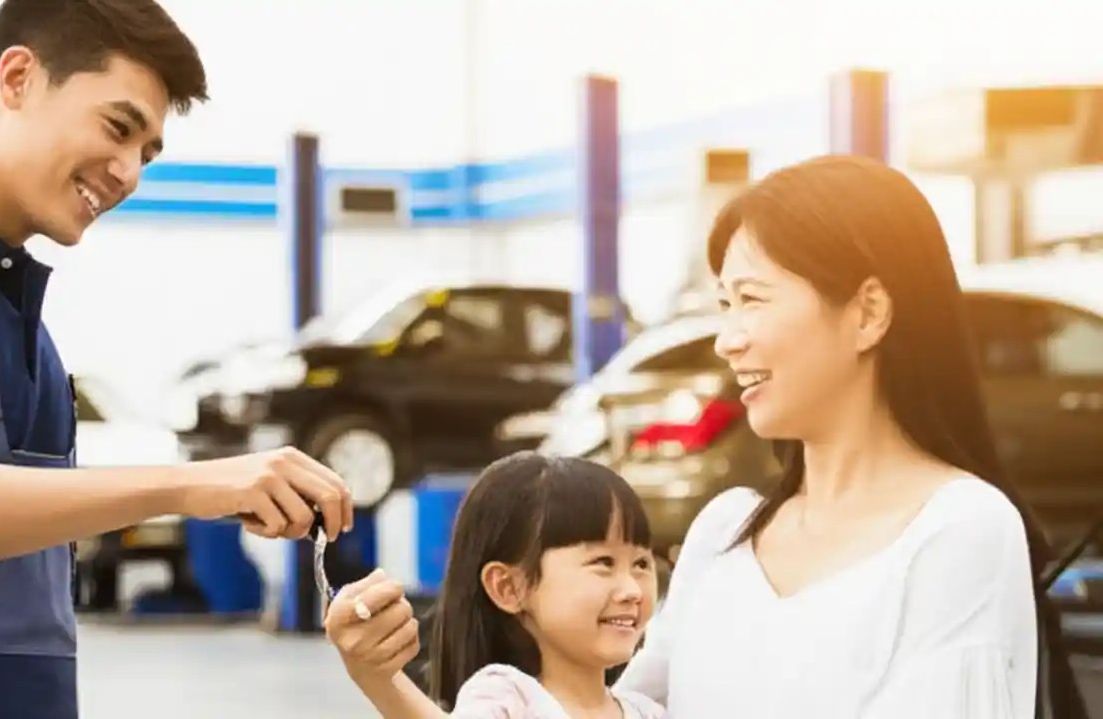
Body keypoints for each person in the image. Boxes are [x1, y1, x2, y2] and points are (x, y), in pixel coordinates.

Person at [324, 155, 1087, 717]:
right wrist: (382, 683)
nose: (726, 340)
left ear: (868, 312)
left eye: (750, 299)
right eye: (722, 303)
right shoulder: (725, 533)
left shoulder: (961, 529)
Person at [0, 1, 352, 717]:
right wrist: (184, 487)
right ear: (18, 79)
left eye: (148, 153)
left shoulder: (29, 332)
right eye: (118, 127)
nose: (129, 172)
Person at [325, 452, 666, 718]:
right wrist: (376, 676)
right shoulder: (506, 699)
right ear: (508, 588)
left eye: (641, 564)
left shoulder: (648, 711)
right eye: (603, 563)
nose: (632, 590)